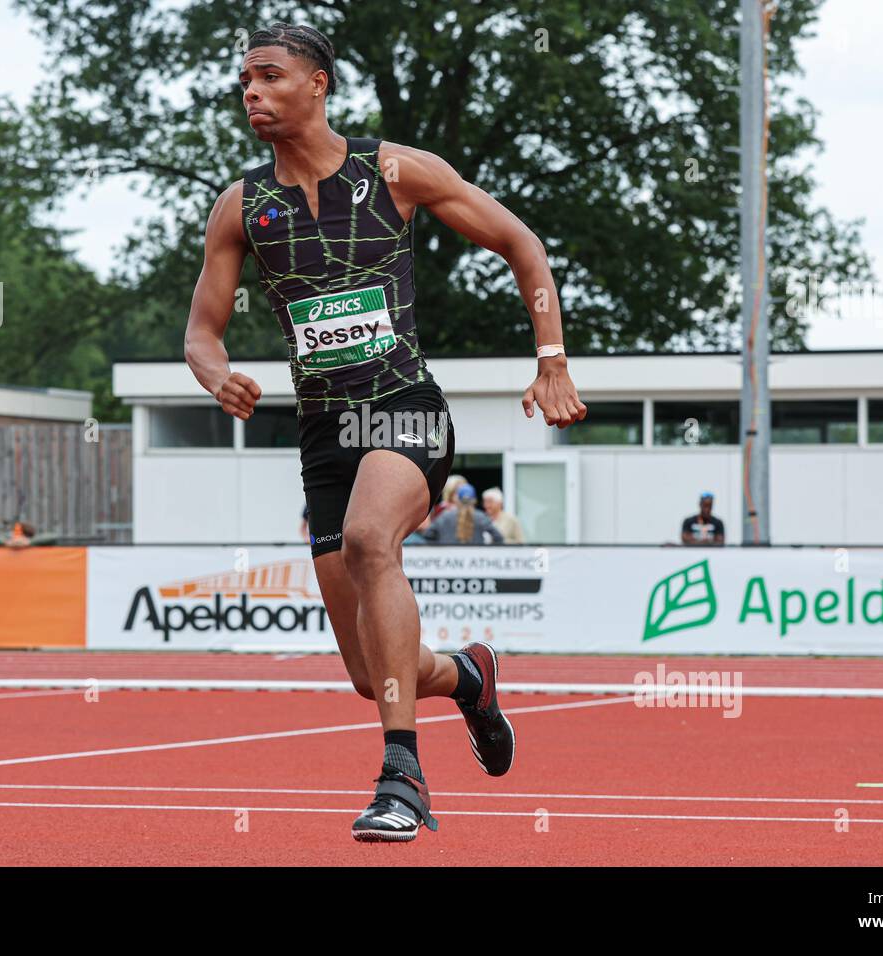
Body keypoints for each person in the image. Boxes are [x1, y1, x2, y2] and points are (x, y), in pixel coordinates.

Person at [184, 22, 586, 843]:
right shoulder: (243, 206)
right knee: (374, 676)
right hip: (322, 432)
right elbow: (200, 329)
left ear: (318, 84)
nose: (251, 92)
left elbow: (523, 243)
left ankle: (401, 778)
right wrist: (214, 370)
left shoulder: (394, 170)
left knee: (373, 542)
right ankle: (470, 676)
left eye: (269, 76)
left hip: (403, 407)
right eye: (245, 80)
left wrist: (551, 361)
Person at [422, 483, 502, 544]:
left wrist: (439, 548)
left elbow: (428, 535)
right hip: (475, 561)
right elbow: (498, 537)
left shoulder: (445, 516)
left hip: (448, 560)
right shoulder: (481, 517)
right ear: (474, 500)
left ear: (457, 500)